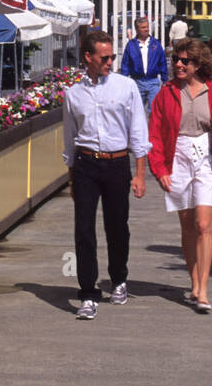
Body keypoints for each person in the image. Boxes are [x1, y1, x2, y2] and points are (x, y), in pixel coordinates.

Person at [148, 38, 212, 312]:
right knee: (187, 225)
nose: (178, 64)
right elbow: (154, 135)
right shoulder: (165, 93)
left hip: (207, 157)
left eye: (185, 61)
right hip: (177, 157)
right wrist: (160, 169)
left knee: (203, 225)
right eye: (176, 60)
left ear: (197, 64)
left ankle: (203, 290)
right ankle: (193, 281)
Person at [62, 29, 149, 320]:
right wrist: (72, 178)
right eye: (105, 57)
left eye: (112, 56)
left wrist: (140, 174)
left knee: (117, 227)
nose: (110, 62)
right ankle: (88, 293)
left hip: (117, 164)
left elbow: (138, 131)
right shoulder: (73, 94)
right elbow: (70, 139)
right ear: (88, 57)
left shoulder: (126, 87)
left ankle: (119, 279)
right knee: (83, 230)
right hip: (86, 165)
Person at [120, 16, 168, 115]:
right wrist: (123, 83)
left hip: (153, 82)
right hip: (137, 82)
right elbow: (125, 64)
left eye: (147, 27)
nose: (146, 29)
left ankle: (153, 130)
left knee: (155, 112)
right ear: (137, 29)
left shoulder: (156, 44)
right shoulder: (131, 45)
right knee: (136, 112)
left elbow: (162, 62)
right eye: (143, 27)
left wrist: (165, 80)